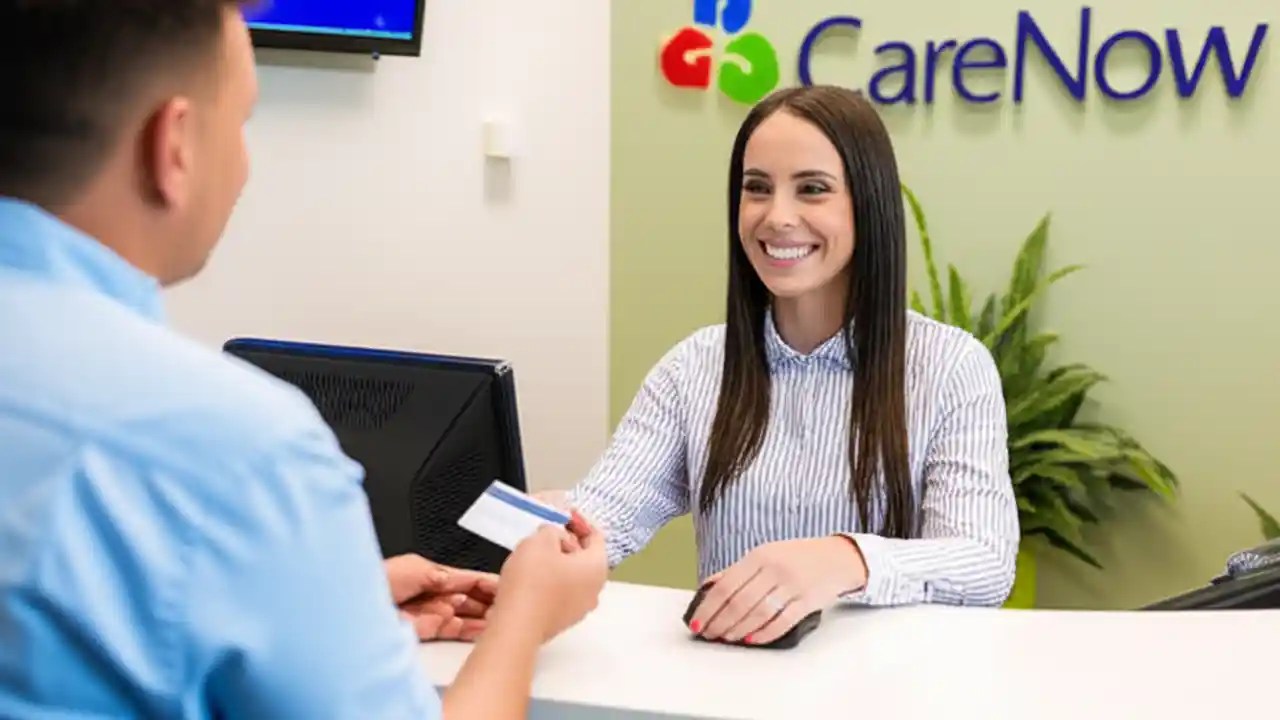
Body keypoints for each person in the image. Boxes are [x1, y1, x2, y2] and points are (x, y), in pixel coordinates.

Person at [0, 2, 606, 719]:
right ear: (176, 145)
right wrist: (523, 621)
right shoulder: (237, 453)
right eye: (243, 122)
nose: (247, 164)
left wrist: (307, 599)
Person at [560, 84, 1019, 646]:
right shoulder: (694, 368)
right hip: (724, 692)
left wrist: (844, 559)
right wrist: (543, 526)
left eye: (812, 189)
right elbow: (602, 514)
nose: (777, 217)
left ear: (867, 203)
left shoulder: (951, 368)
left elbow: (984, 563)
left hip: (888, 694)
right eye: (757, 189)